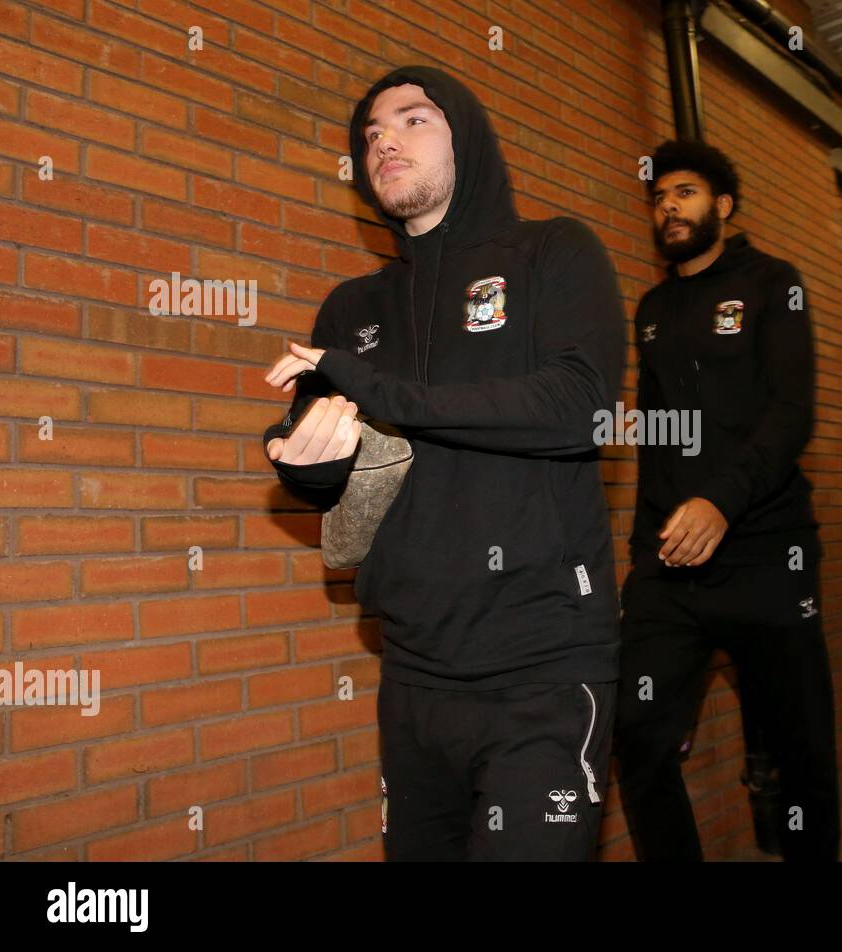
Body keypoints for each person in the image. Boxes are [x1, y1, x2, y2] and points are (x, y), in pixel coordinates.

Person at [261, 66, 624, 861]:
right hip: (413, 672)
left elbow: (580, 406)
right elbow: (324, 462)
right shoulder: (352, 309)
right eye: (370, 134)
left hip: (543, 669)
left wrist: (380, 389)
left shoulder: (552, 251)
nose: (384, 140)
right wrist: (304, 462)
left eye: (413, 119)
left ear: (468, 137)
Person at [614, 140, 839, 860]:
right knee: (637, 733)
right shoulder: (652, 308)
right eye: (659, 198)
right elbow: (654, 439)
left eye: (684, 193)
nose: (668, 207)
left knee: (801, 749)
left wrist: (721, 500)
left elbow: (791, 413)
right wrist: (643, 556)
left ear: (724, 205)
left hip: (768, 554)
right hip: (671, 565)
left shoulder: (773, 283)